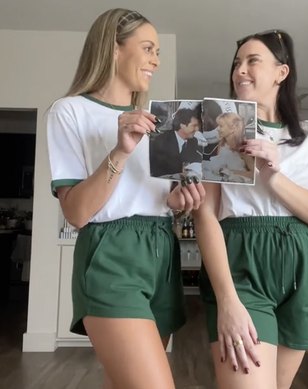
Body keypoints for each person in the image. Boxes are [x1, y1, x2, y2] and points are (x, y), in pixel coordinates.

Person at [47, 8, 205, 389]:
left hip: (161, 249)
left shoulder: (160, 118)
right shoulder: (70, 111)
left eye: (158, 52)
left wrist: (179, 200)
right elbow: (76, 213)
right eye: (148, 48)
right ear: (113, 49)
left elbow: (156, 198)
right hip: (110, 254)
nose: (155, 60)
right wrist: (119, 151)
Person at [193, 29, 308, 388]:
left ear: (281, 72)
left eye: (252, 61)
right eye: (236, 63)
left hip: (301, 274)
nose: (240, 70)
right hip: (243, 266)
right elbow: (205, 216)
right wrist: (227, 301)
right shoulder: (223, 131)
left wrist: (274, 175)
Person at [150, 106, 203, 177]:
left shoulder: (193, 141)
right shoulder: (161, 141)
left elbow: (194, 163)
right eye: (194, 126)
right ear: (182, 125)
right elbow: (155, 171)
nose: (197, 129)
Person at [203, 112, 255, 183]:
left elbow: (254, 174)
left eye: (221, 126)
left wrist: (231, 172)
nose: (217, 129)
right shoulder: (222, 144)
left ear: (232, 128)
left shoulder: (244, 148)